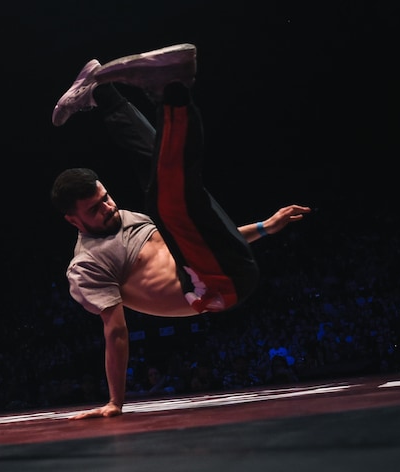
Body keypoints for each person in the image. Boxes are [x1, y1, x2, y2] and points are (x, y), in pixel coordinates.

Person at [49, 44, 312, 419]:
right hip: (213, 288)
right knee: (168, 197)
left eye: (106, 198)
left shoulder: (129, 219)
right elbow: (116, 331)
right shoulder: (87, 264)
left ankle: (101, 91)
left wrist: (265, 228)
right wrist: (115, 402)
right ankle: (172, 90)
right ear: (72, 221)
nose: (109, 207)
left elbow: (200, 238)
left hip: (225, 263)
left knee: (155, 166)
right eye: (95, 208)